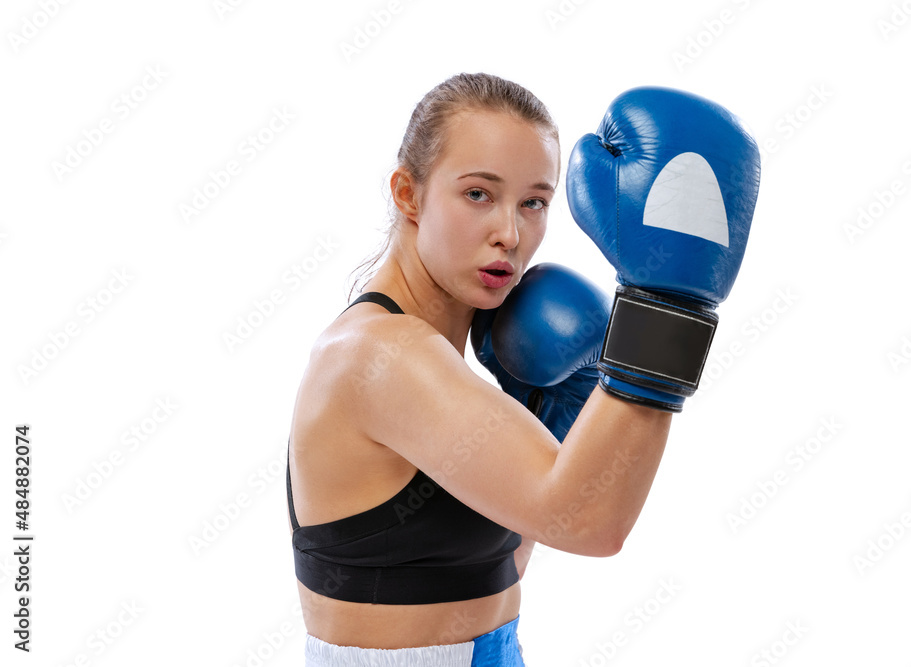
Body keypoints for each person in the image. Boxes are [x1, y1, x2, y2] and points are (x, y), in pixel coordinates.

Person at [285, 72, 758, 666]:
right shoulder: (378, 356)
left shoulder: (435, 361)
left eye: (533, 202)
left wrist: (551, 417)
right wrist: (669, 307)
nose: (509, 234)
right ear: (409, 194)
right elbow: (591, 524)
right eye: (478, 194)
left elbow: (496, 573)